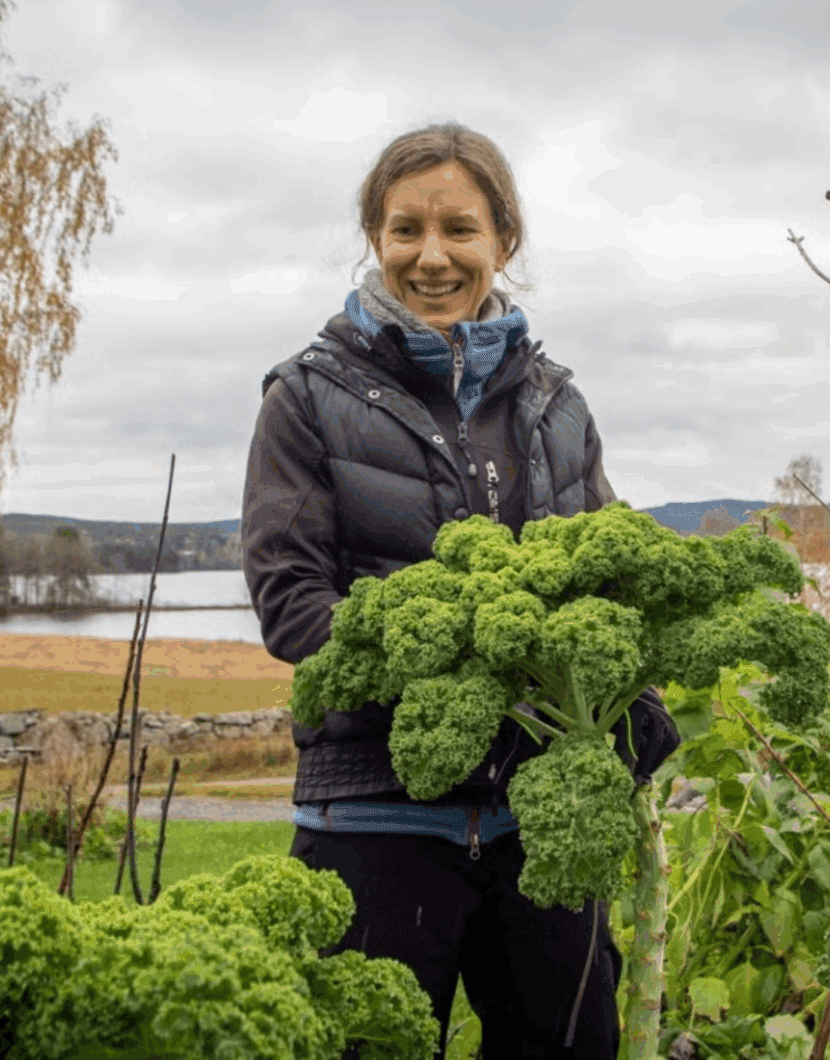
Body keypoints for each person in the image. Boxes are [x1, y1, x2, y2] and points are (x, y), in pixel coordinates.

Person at [241, 122, 679, 1059]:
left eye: (460, 230)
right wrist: (478, 669)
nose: (431, 256)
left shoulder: (557, 403)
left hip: (538, 828)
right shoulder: (307, 397)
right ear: (375, 238)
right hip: (372, 816)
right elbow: (291, 605)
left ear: (503, 243)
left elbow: (606, 579)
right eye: (406, 229)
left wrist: (632, 698)